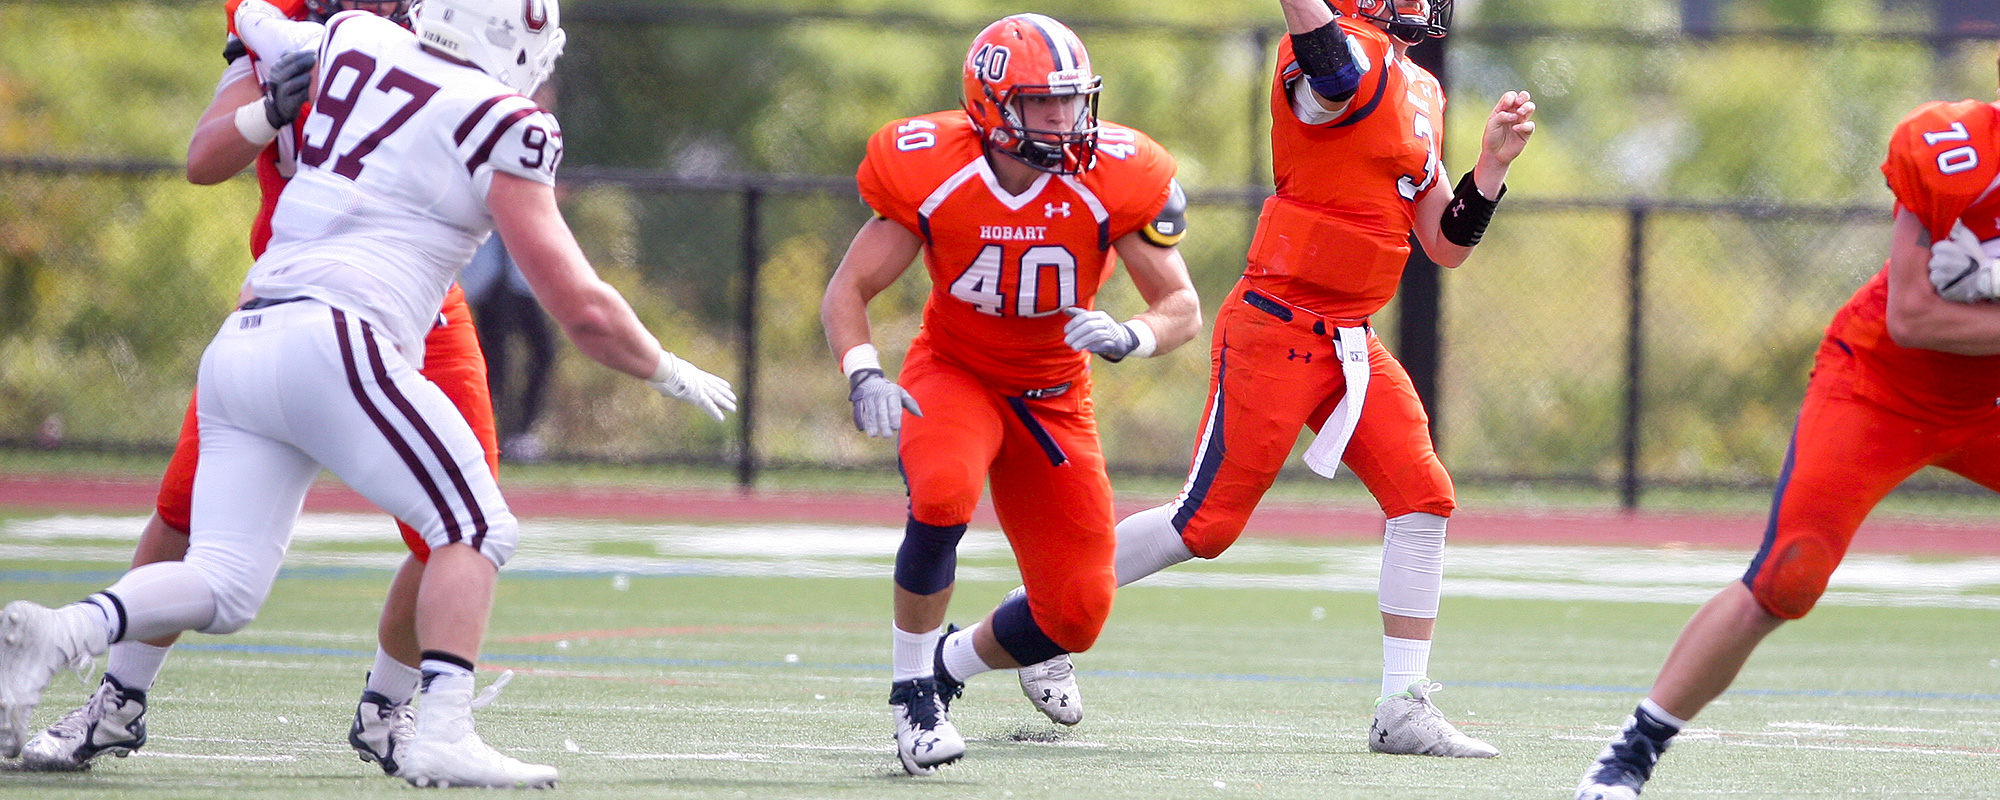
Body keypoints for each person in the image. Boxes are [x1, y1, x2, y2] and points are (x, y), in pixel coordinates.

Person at [0, 0, 737, 788]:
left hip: (251, 336)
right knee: (477, 523)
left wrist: (248, 15)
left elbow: (267, 25)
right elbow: (582, 308)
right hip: (344, 336)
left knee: (224, 586)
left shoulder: (352, 38)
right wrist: (665, 367)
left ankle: (63, 629)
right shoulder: (504, 120)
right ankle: (442, 728)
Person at [1027, 0, 1536, 756]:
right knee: (1204, 526)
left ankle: (1403, 704)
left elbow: (1444, 240)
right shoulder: (1338, 56)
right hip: (1278, 327)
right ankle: (1032, 622)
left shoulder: (1419, 85)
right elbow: (1332, 76)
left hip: (1350, 342)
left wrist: (1490, 167)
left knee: (1424, 496)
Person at [17, 0, 491, 777]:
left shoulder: (449, 27)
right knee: (182, 509)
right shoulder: (282, 29)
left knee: (461, 524)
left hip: (419, 309)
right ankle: (117, 700)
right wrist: (272, 108)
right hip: (292, 303)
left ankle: (391, 710)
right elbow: (204, 158)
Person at [1575, 80, 2000, 800]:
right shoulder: (1955, 150)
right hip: (1880, 386)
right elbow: (1912, 317)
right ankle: (1633, 751)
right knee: (1788, 576)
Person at [819, 12, 1202, 775]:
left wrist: (1132, 335)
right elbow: (848, 289)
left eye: (1072, 99)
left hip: (1055, 395)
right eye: (1043, 102)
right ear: (993, 106)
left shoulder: (1113, 176)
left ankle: (949, 665)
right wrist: (863, 369)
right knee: (942, 494)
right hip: (955, 372)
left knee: (1078, 612)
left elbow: (1182, 307)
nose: (1065, 118)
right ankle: (910, 699)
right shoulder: (934, 166)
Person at [462, 236, 557, 461]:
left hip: (523, 287)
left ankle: (523, 432)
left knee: (544, 352)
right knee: (493, 364)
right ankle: (486, 432)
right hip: (486, 288)